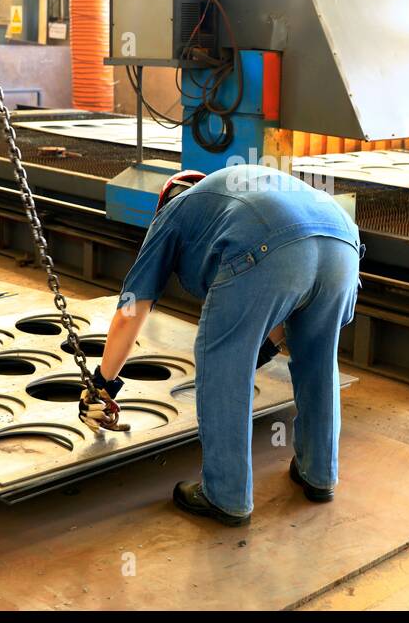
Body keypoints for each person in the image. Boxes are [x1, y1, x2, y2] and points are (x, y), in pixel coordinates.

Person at [82, 163, 362, 526]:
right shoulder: (237, 193)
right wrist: (268, 344)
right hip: (343, 243)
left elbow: (133, 308)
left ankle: (225, 496)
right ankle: (319, 474)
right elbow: (289, 284)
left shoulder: (172, 214)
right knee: (319, 360)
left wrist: (102, 383)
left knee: (222, 363)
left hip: (269, 246)